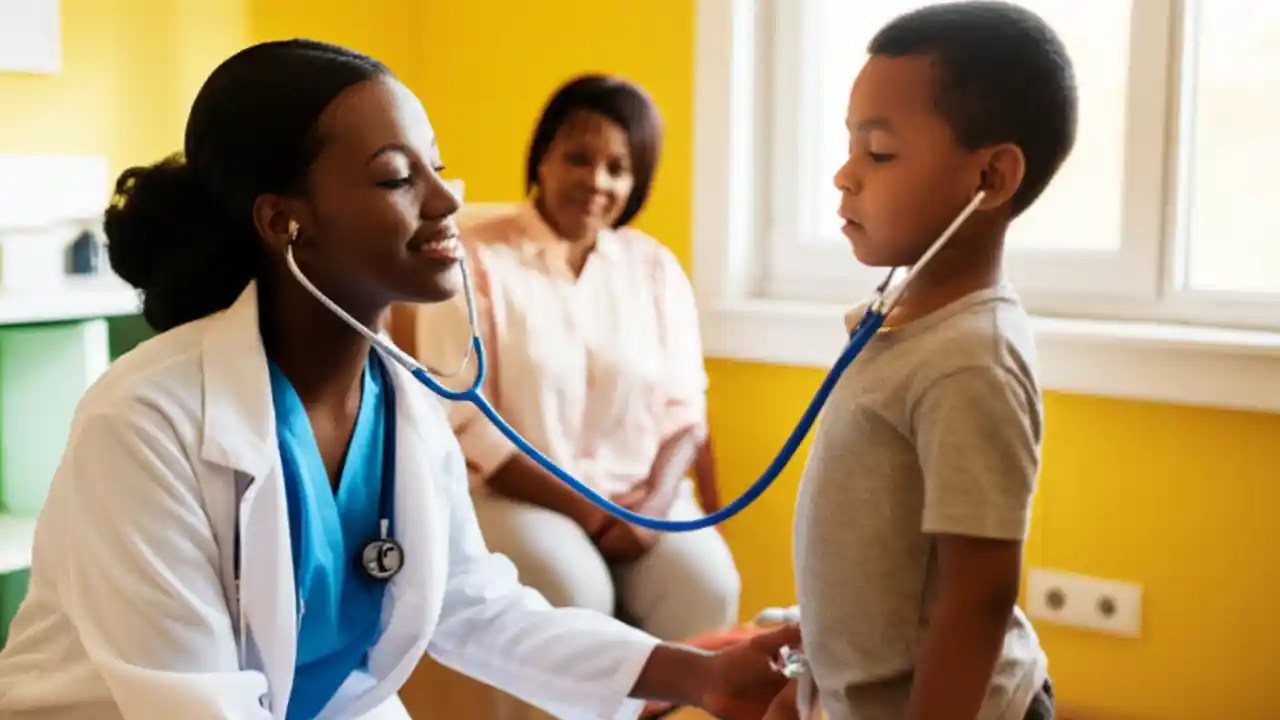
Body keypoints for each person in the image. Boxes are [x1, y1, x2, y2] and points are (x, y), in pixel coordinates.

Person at [0, 40, 794, 720]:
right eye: (395, 178)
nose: (447, 200)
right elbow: (193, 703)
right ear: (283, 221)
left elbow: (475, 607)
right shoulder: (146, 422)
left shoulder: (403, 404)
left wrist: (701, 675)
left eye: (436, 169)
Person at [767, 3, 1072, 719]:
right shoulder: (905, 327)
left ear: (991, 177)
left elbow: (977, 597)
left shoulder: (971, 361)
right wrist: (810, 684)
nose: (844, 176)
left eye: (878, 153)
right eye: (850, 146)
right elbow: (875, 565)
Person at [393, 74, 740, 643]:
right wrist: (593, 515)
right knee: (575, 594)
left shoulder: (654, 267)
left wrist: (651, 507)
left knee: (708, 587)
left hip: (642, 495)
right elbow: (464, 421)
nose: (596, 181)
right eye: (578, 158)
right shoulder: (469, 261)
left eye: (617, 168)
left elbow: (685, 411)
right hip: (513, 495)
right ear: (543, 158)